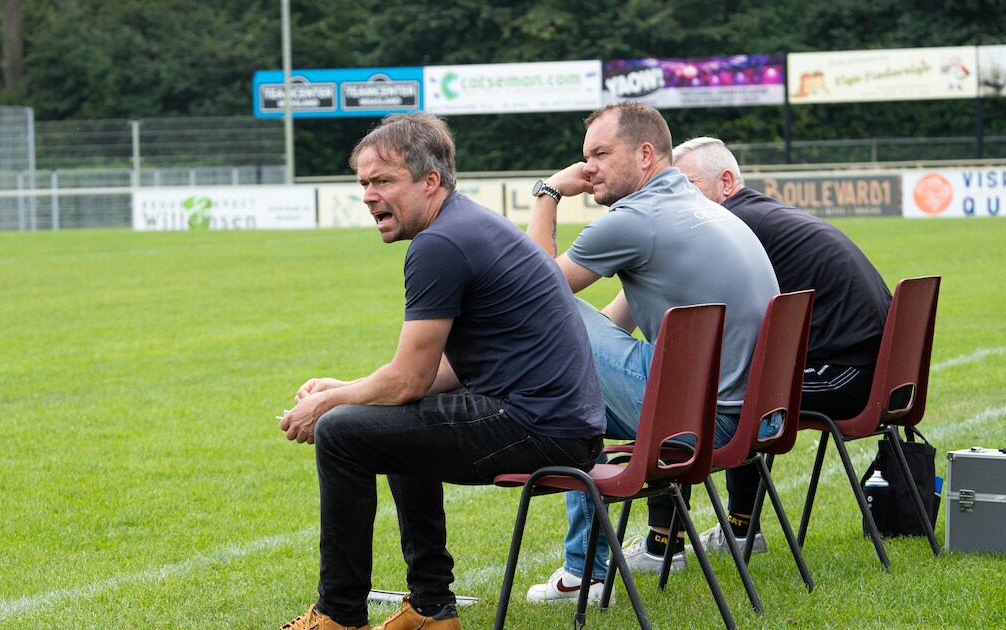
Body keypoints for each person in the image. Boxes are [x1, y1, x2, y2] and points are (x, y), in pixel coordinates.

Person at [277, 112, 607, 630]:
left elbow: (409, 379)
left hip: (543, 431)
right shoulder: (464, 223)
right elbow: (434, 375)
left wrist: (329, 404)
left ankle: (339, 617)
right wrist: (348, 388)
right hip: (565, 428)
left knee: (342, 432)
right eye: (364, 183)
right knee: (391, 420)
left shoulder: (439, 244)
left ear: (430, 181)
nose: (368, 195)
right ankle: (432, 610)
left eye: (383, 181)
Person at [522, 102, 780, 604]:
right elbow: (614, 320)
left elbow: (532, 291)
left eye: (600, 153)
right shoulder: (697, 207)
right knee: (569, 355)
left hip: (701, 419)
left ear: (645, 154)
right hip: (749, 416)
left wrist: (547, 193)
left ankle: (587, 573)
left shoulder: (636, 219)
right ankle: (585, 567)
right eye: (584, 156)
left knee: (544, 322)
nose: (587, 167)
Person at [672, 136, 892, 553]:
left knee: (723, 398)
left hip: (846, 375)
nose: (680, 199)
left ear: (725, 182)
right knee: (741, 384)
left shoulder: (734, 225)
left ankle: (675, 542)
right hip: (862, 367)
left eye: (688, 185)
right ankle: (739, 530)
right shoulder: (757, 213)